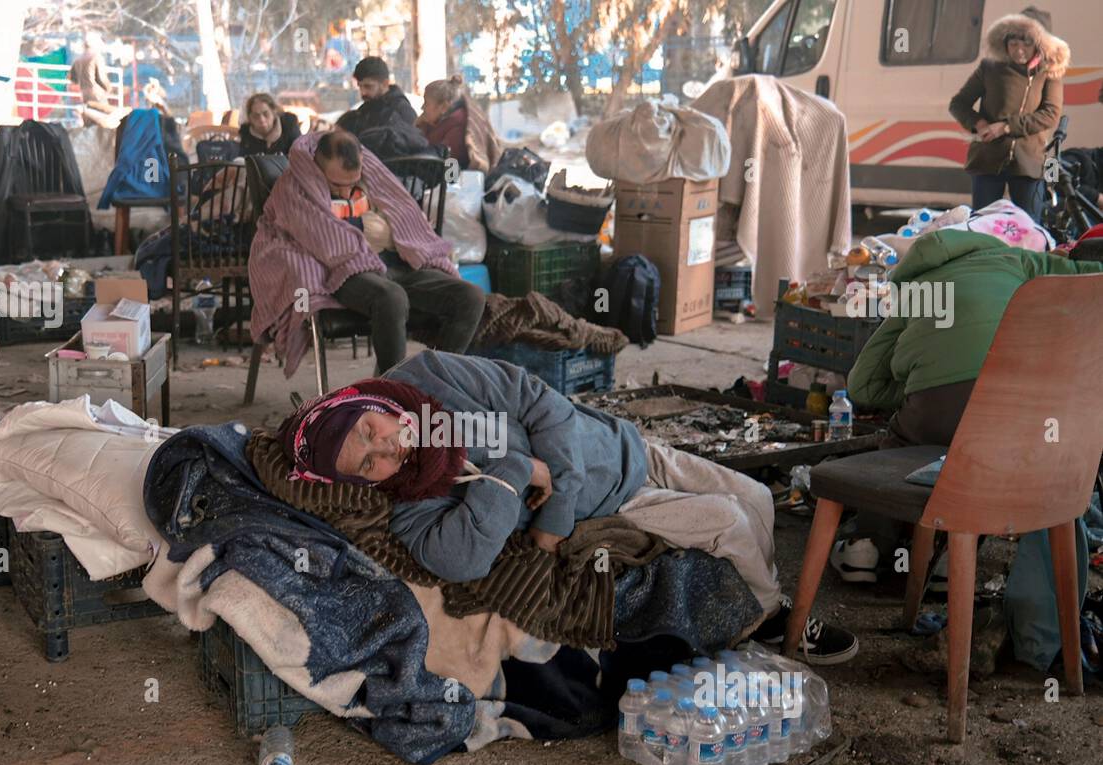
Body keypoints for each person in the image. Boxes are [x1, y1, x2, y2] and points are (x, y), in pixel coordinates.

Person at [275, 351, 860, 664]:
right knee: (732, 523)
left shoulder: (426, 377)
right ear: (360, 483)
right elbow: (465, 559)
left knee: (759, 494)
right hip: (622, 499)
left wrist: (553, 509)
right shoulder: (411, 504)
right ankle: (773, 621)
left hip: (625, 442)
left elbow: (540, 403)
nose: (390, 448)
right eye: (368, 463)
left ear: (370, 402)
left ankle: (771, 601)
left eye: (373, 430)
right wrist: (514, 469)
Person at [831, 228, 1103, 582]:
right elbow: (1087, 276)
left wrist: (921, 387)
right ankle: (953, 557)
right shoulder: (1017, 259)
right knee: (981, 462)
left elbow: (862, 385)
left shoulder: (917, 289)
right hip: (1016, 418)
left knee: (900, 446)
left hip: (932, 411)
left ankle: (865, 547)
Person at [249, 128, 484, 376]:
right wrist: (366, 230)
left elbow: (404, 214)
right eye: (337, 185)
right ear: (317, 166)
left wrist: (400, 236)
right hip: (343, 270)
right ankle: (388, 390)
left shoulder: (372, 176)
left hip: (394, 262)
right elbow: (321, 240)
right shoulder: (293, 187)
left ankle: (433, 380)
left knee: (471, 297)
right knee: (392, 298)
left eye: (352, 183)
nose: (346, 192)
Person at [948, 8, 1069, 221]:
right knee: (982, 226)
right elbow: (958, 104)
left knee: (1030, 225)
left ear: (1039, 45)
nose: (1019, 50)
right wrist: (980, 124)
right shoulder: (990, 67)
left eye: (1027, 44)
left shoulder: (1049, 71)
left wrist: (1005, 126)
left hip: (1029, 162)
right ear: (1005, 43)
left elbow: (1050, 114)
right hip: (987, 160)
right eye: (1014, 44)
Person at [415, 75, 502, 172]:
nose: (422, 107)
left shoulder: (458, 125)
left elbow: (450, 171)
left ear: (443, 107)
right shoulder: (434, 122)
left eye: (426, 103)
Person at [336, 57, 417, 135]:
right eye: (360, 86)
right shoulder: (367, 108)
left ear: (385, 83)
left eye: (368, 86)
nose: (363, 92)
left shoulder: (402, 111)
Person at [69, 31, 119, 128]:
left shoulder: (78, 59)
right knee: (103, 123)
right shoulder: (96, 57)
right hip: (98, 95)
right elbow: (101, 78)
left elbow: (73, 79)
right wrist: (109, 89)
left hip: (84, 94)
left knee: (89, 123)